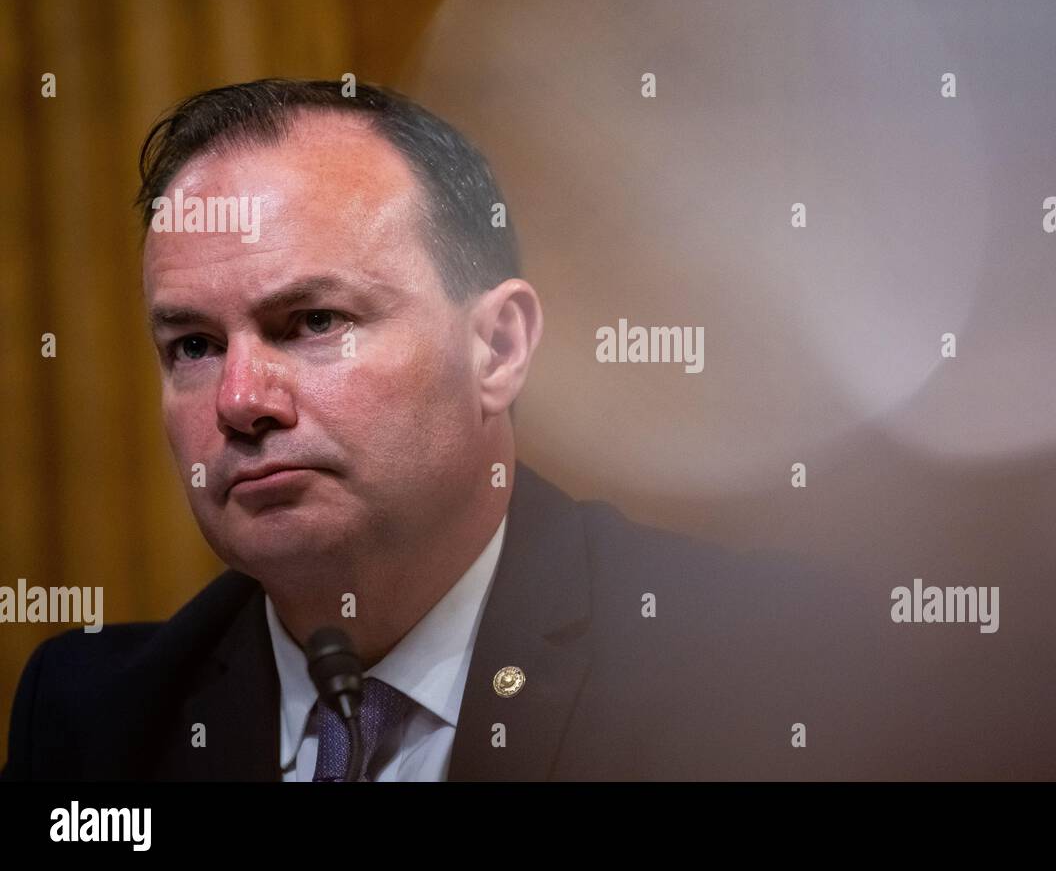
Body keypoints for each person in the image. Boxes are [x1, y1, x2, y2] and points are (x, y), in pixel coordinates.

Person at [1, 79, 845, 781]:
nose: (241, 400)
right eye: (193, 345)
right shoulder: (93, 723)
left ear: (497, 348)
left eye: (314, 321)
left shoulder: (756, 664)